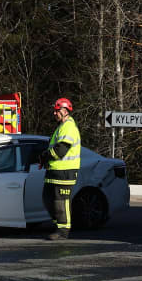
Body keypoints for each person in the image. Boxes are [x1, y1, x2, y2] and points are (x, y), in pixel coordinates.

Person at [42, 97, 81, 240]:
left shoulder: (69, 127)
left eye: (56, 111)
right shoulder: (61, 126)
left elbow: (61, 150)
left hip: (65, 171)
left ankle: (63, 231)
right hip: (55, 171)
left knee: (61, 201)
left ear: (64, 111)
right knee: (48, 198)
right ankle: (58, 225)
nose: (54, 114)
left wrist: (47, 156)